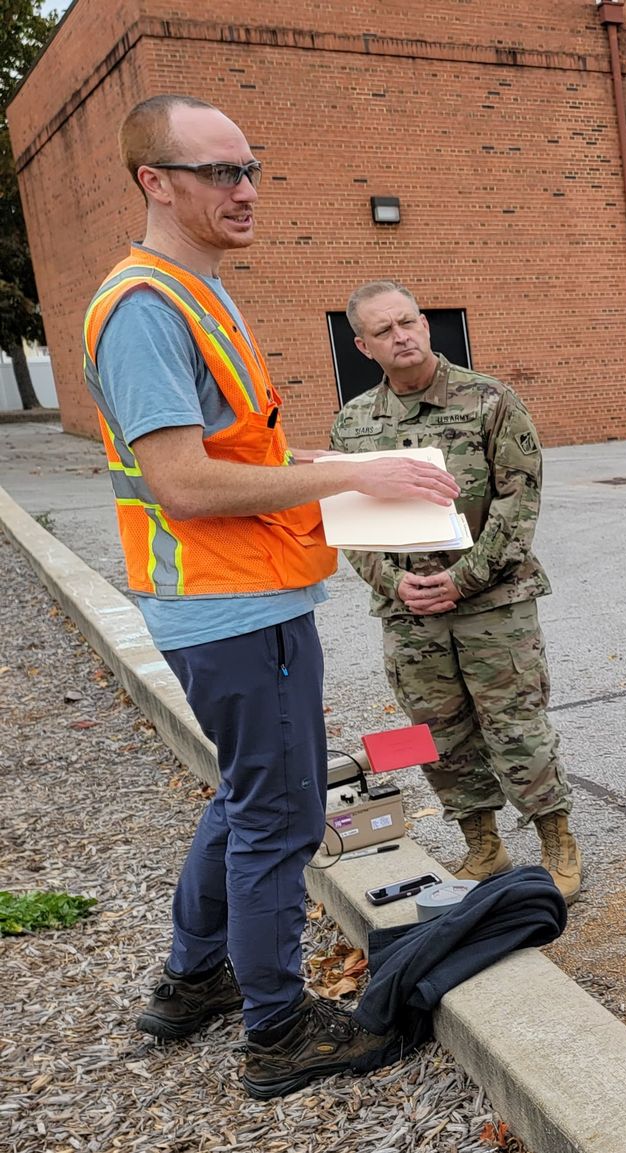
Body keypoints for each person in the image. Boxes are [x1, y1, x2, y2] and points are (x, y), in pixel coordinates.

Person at [83, 95, 457, 1098]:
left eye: (250, 167)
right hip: (231, 604)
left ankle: (194, 978)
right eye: (219, 172)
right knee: (280, 818)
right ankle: (279, 1031)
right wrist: (348, 478)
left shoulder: (196, 289)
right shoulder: (148, 309)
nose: (245, 189)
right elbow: (183, 483)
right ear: (156, 183)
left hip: (241, 596)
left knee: (248, 795)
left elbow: (235, 451)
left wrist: (345, 469)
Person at [330, 281, 583, 902]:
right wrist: (396, 583)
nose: (402, 336)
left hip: (492, 604)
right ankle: (483, 846)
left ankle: (557, 844)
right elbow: (350, 527)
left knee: (516, 724)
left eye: (408, 322)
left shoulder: (490, 401)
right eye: (384, 331)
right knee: (435, 732)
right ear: (363, 346)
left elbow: (518, 504)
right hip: (409, 612)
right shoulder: (353, 424)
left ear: (425, 324)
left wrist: (461, 579)